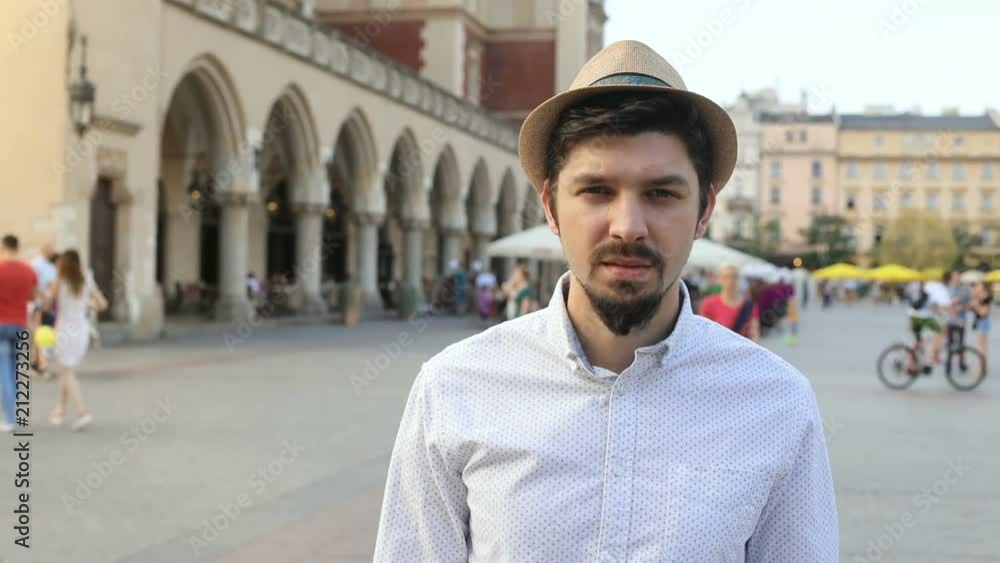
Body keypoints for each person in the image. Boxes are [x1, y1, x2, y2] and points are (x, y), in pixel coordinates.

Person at [374, 40, 838, 561]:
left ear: (704, 209)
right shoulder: (455, 388)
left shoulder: (775, 404)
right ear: (551, 206)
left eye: (662, 194)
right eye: (596, 190)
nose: (628, 227)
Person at [43, 249, 108, 431]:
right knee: (67, 369)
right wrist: (87, 304)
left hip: (64, 330)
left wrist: (49, 298)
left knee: (67, 372)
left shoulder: (59, 280)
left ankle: (82, 411)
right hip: (82, 330)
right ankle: (60, 410)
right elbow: (102, 304)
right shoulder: (86, 278)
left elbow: (48, 306)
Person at [0, 235, 38, 433]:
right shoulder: (28, 270)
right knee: (17, 372)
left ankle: (10, 418)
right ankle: (19, 415)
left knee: (3, 371)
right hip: (20, 324)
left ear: (4, 247)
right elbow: (32, 296)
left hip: (1, 323)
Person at [699, 263, 760, 342]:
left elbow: (754, 332)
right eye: (726, 277)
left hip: (741, 349)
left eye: (734, 277)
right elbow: (703, 332)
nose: (730, 280)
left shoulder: (749, 304)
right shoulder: (708, 303)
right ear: (720, 279)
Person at [970, 279, 992, 367]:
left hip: (983, 322)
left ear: (983, 287)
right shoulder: (982, 297)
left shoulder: (985, 297)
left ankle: (981, 366)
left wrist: (975, 306)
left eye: (978, 286)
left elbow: (983, 313)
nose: (976, 288)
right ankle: (982, 365)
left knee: (981, 346)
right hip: (982, 322)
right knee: (981, 345)